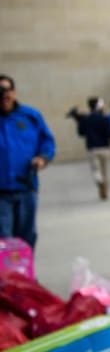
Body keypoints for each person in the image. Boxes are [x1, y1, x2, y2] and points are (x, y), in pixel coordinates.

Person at [0, 75, 55, 249]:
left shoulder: (30, 116)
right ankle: (8, 268)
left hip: (26, 187)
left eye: (7, 90)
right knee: (4, 238)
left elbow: (47, 141)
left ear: (14, 92)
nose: (4, 95)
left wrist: (43, 158)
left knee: (26, 237)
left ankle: (25, 267)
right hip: (1, 192)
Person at [69, 96, 110, 200]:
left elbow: (81, 133)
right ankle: (105, 191)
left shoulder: (85, 119)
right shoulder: (105, 118)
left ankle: (100, 182)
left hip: (92, 148)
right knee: (104, 171)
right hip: (105, 147)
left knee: (96, 170)